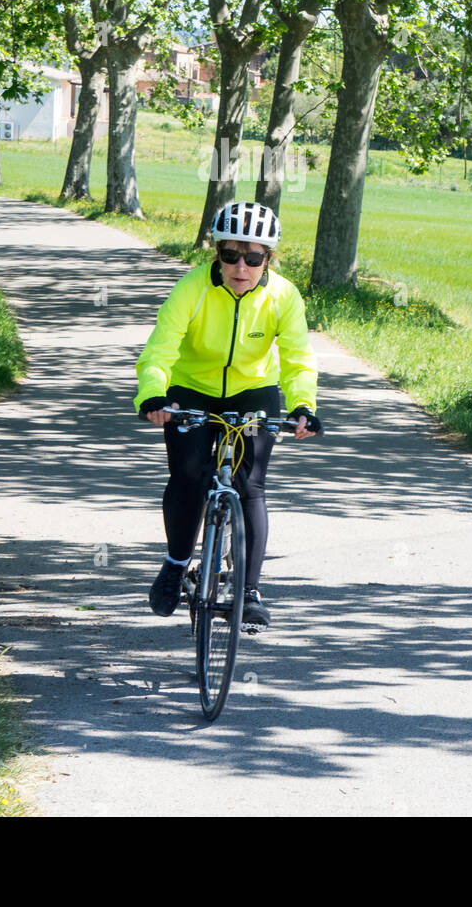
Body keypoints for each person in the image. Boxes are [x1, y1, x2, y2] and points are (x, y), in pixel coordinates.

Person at [134, 200, 323, 629]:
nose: (241, 266)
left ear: (267, 259)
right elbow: (160, 349)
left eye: (254, 257)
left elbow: (298, 360)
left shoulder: (283, 296)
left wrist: (303, 407)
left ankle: (250, 588)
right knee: (188, 475)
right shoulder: (192, 288)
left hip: (253, 391)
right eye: (231, 255)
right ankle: (175, 564)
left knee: (250, 484)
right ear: (216, 254)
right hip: (192, 389)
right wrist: (153, 396)